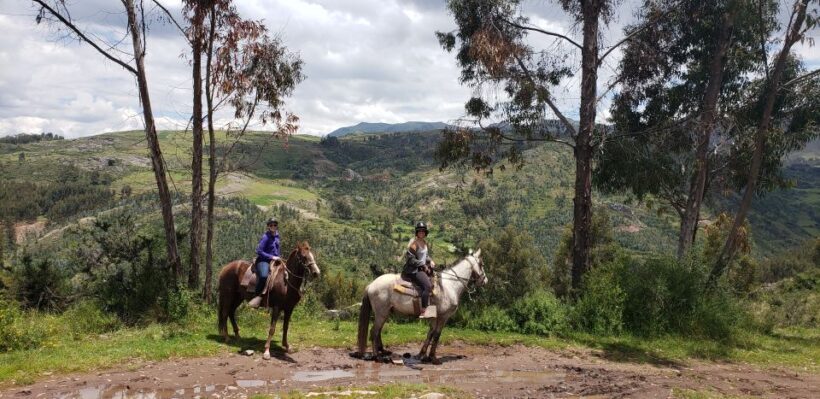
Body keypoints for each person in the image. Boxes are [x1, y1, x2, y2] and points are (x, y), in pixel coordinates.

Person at [402, 221, 436, 318]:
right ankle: (424, 310)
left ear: (425, 233)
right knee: (428, 286)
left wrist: (431, 261)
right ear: (417, 232)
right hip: (414, 270)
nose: (421, 232)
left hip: (422, 268)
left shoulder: (424, 243)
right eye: (419, 231)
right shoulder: (414, 244)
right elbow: (410, 259)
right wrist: (422, 264)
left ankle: (433, 306)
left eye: (423, 231)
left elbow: (426, 256)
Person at [249, 218, 280, 309]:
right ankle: (256, 297)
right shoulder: (265, 237)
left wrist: (278, 257)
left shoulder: (277, 236)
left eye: (275, 225)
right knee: (263, 276)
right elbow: (259, 251)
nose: (273, 227)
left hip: (275, 260)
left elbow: (277, 250)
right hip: (264, 260)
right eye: (271, 225)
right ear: (268, 226)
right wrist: (272, 257)